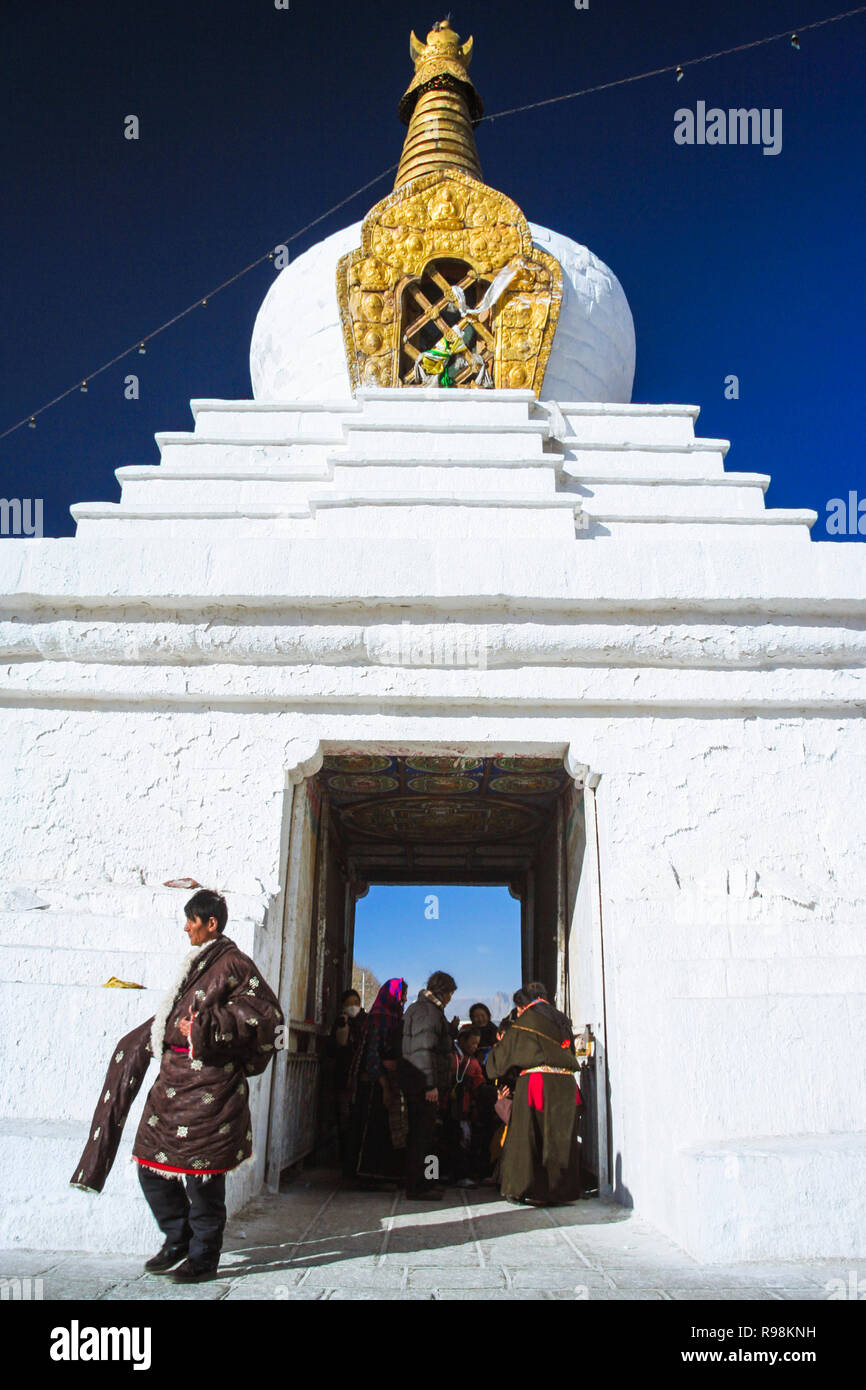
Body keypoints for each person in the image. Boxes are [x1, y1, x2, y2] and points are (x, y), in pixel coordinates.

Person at [70, 889, 284, 1282]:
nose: (186, 927)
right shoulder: (199, 961)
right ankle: (178, 1234)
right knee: (150, 1168)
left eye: (192, 920)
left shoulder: (235, 964)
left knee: (202, 1179)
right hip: (171, 1087)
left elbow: (268, 1017)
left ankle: (204, 1257)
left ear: (211, 924)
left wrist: (204, 1027)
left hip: (210, 1091)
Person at [484, 981, 582, 1206]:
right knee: (559, 1137)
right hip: (566, 1083)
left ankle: (525, 1189)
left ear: (522, 1005)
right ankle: (561, 1191)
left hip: (538, 1082)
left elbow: (503, 1056)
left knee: (526, 1136)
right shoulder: (561, 1019)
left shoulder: (527, 1020)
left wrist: (493, 1066)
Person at [399, 970, 457, 1200]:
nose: (451, 998)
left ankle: (427, 1181)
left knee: (422, 1135)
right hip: (424, 1087)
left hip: (416, 1084)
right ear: (444, 991)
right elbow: (424, 1050)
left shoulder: (417, 1009)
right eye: (451, 993)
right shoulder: (430, 1013)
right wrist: (430, 1085)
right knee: (424, 1137)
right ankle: (420, 1186)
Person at [345, 978, 407, 1187]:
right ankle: (367, 1177)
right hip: (374, 1085)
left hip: (384, 1082)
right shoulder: (379, 1019)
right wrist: (384, 1085)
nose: (404, 1000)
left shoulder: (394, 1016)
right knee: (371, 1131)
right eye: (402, 995)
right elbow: (372, 1054)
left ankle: (381, 1175)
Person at [327, 988, 366, 1174]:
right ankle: (344, 1160)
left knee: (358, 1117)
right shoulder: (339, 1023)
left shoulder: (366, 1022)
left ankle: (357, 1159)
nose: (353, 1007)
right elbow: (333, 1049)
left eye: (356, 1003)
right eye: (349, 1004)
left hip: (361, 1078)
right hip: (343, 1078)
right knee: (343, 1118)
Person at [444, 1025, 486, 1186]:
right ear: (461, 1040)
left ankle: (456, 1174)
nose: (475, 1047)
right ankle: (445, 1174)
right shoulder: (454, 1059)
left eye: (477, 1044)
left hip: (461, 1109)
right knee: (454, 1140)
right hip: (451, 1107)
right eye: (472, 1043)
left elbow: (478, 1084)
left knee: (461, 1141)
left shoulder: (471, 1062)